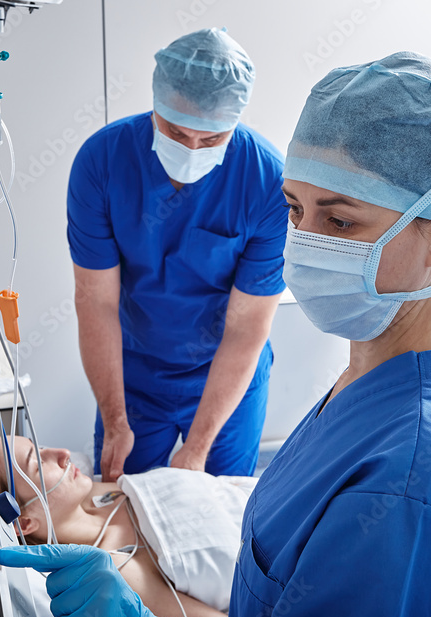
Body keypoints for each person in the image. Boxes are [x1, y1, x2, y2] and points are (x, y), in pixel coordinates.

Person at [0, 52, 431, 617]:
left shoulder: (410, 480)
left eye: (340, 222)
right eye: (294, 210)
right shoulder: (369, 383)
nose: (302, 243)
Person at [68, 28, 286, 481]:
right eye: (175, 132)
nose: (190, 150)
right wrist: (115, 419)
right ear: (156, 107)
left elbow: (247, 326)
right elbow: (97, 303)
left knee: (222, 505)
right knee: (121, 498)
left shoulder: (267, 183)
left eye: (210, 140)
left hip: (225, 374)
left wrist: (198, 446)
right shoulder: (102, 162)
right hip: (133, 375)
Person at [0, 435, 229, 617]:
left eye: (41, 447)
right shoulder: (116, 571)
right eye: (37, 462)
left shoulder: (95, 491)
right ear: (24, 522)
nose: (63, 453)